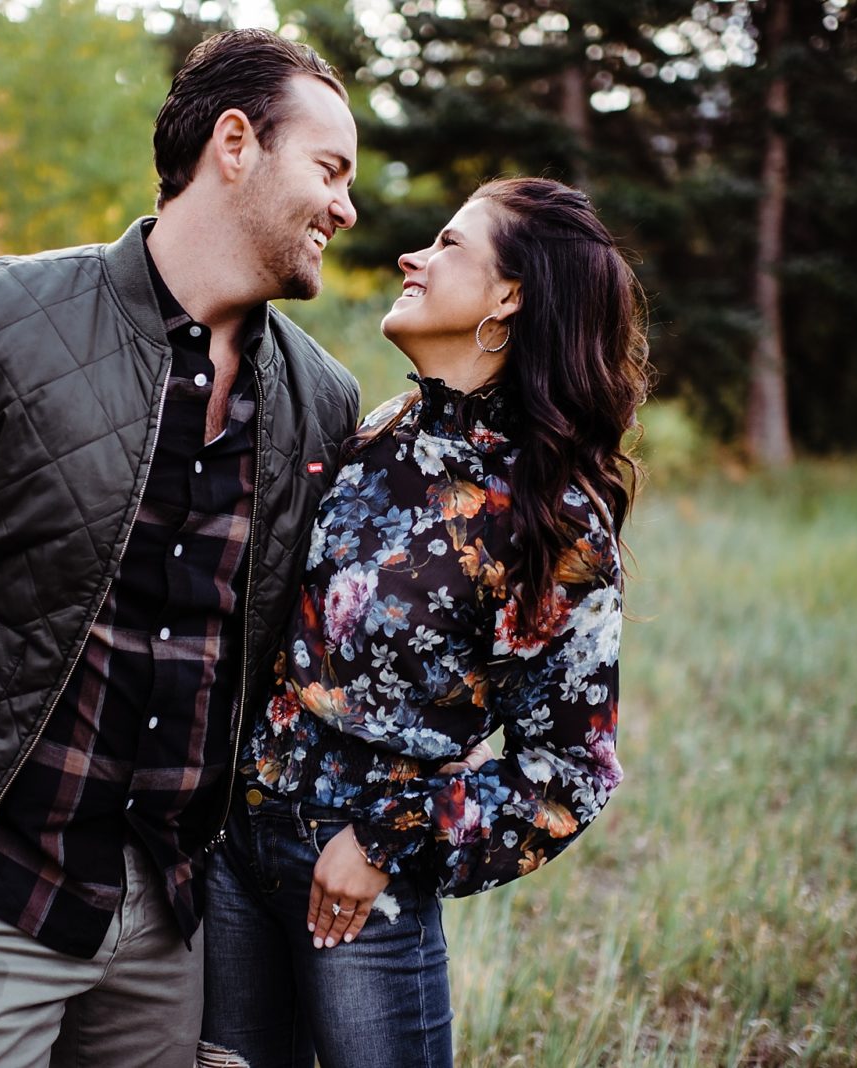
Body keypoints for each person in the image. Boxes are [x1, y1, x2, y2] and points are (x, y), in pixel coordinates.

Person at [0, 29, 361, 1068]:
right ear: (234, 144)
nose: (345, 207)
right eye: (329, 170)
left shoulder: (325, 404)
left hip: (169, 923)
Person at [199, 177, 649, 1068]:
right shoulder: (380, 431)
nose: (412, 254)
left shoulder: (550, 518)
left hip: (363, 892)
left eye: (448, 244)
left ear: (509, 296)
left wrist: (383, 842)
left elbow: (571, 774)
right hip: (237, 857)